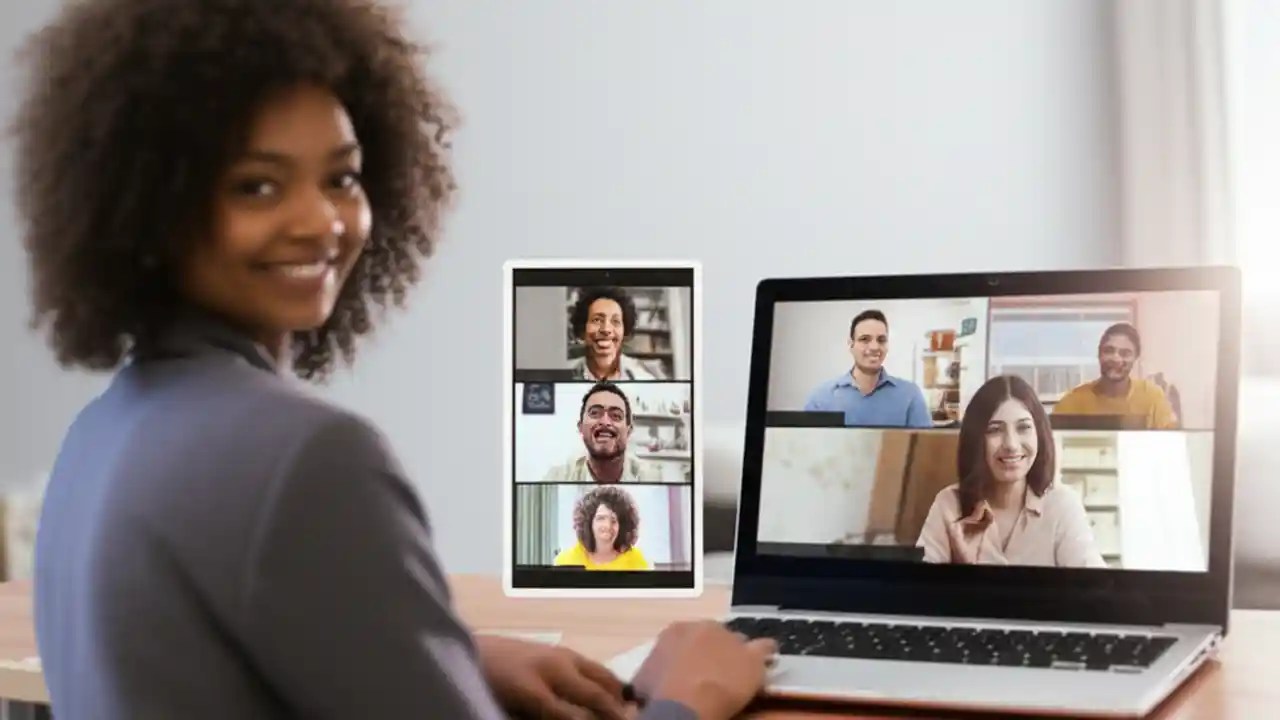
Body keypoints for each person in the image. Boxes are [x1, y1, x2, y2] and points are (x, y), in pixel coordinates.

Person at [13, 1, 774, 719]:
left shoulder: (102, 432)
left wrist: (451, 659)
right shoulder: (308, 454)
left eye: (341, 178)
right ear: (155, 204)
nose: (321, 221)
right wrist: (688, 699)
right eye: (257, 186)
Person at [917, 376, 1106, 568]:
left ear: (1039, 434)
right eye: (994, 430)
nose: (1011, 445)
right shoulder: (949, 505)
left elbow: (1095, 588)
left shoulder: (1062, 504)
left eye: (1023, 427)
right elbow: (916, 592)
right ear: (976, 440)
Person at [803, 309, 933, 428]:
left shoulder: (910, 395)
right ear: (851, 344)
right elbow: (808, 447)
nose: (874, 347)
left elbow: (925, 449)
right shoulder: (821, 398)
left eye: (881, 340)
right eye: (865, 339)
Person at [1053, 323, 1178, 429]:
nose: (1116, 359)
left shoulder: (1153, 397)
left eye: (1125, 353)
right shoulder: (1072, 401)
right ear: (1099, 354)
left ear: (1136, 358)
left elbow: (1172, 443)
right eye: (1109, 351)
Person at [541, 381, 660, 483]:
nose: (605, 422)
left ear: (629, 431)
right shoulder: (557, 477)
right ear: (580, 427)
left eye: (616, 415)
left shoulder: (650, 478)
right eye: (595, 413)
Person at [568, 286, 664, 381]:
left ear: (624, 331)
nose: (606, 329)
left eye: (615, 321)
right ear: (582, 329)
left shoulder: (644, 380)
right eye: (597, 320)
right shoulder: (564, 376)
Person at [554, 486, 653, 570]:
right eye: (601, 518)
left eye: (614, 520)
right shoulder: (566, 561)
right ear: (588, 523)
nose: (607, 526)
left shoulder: (637, 561)